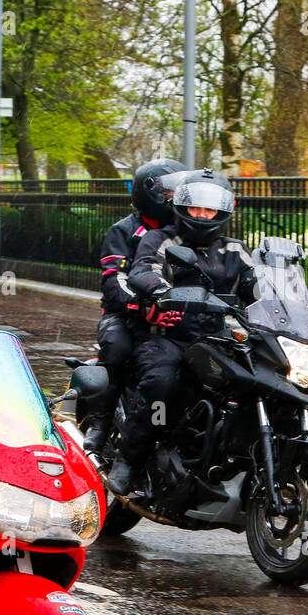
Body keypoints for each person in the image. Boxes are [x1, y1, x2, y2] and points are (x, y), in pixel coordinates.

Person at [106, 168, 259, 496]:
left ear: (223, 211)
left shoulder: (235, 249)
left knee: (259, 382)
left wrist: (293, 304)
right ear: (183, 208)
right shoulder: (161, 240)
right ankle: (129, 458)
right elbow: (144, 269)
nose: (204, 215)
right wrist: (161, 293)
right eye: (196, 208)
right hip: (168, 336)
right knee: (163, 383)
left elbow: (260, 284)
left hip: (219, 339)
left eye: (210, 209)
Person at [84, 158, 188, 457]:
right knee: (116, 349)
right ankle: (99, 421)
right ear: (149, 192)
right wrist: (142, 306)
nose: (175, 198)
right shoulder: (124, 231)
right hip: (124, 315)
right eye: (169, 192)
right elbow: (114, 281)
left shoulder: (183, 229)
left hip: (175, 315)